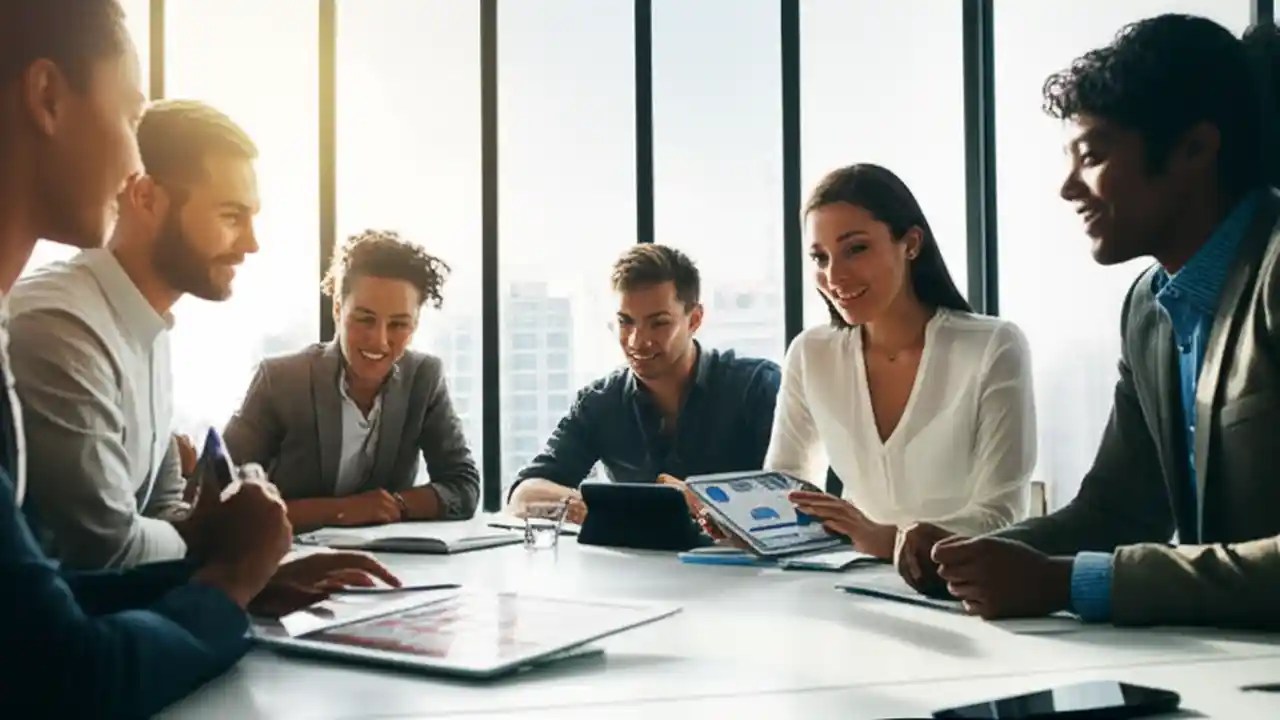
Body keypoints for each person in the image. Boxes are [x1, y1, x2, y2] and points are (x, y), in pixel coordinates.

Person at [0, 4, 395, 715]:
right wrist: (231, 569)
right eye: (130, 118)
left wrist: (241, 567)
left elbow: (130, 542)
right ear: (48, 97)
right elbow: (74, 636)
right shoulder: (54, 324)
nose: (132, 162)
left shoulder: (147, 330)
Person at [912, 15, 1280, 630]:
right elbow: (1116, 512)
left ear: (1195, 149)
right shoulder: (1149, 309)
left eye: (1093, 156)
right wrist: (969, 557)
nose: (1067, 187)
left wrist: (1067, 582)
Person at [9, 98, 269, 569]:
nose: (251, 244)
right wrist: (219, 541)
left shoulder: (149, 326)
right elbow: (105, 546)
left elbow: (161, 507)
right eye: (231, 216)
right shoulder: (62, 327)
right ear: (146, 198)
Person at [750, 164, 1035, 561]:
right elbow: (787, 486)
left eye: (856, 249)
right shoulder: (811, 353)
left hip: (960, 583)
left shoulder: (993, 346)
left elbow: (1002, 515)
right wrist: (749, 527)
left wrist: (887, 540)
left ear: (911, 243)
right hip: (849, 581)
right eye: (820, 257)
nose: (835, 275)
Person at [224, 229, 480, 532]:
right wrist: (341, 511)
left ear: (415, 323)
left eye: (398, 324)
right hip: (288, 552)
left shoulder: (424, 378)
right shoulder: (280, 380)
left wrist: (396, 505)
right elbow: (223, 495)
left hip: (391, 556)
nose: (380, 340)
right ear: (337, 308)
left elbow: (463, 486)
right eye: (364, 319)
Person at [507, 244, 781, 524]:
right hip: (632, 554)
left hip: (738, 554)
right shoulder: (600, 402)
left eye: (658, 323)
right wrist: (601, 508)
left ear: (694, 320)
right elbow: (523, 494)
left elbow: (791, 498)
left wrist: (699, 501)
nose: (637, 341)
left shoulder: (757, 388)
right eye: (625, 322)